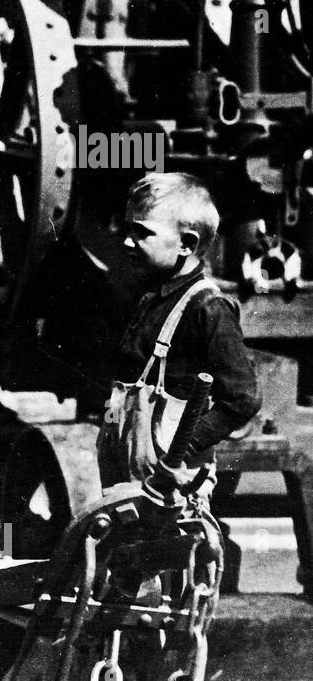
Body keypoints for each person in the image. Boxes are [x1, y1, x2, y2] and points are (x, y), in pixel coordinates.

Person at [98, 172, 261, 499]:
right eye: (128, 228)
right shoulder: (152, 297)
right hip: (131, 465)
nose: (128, 241)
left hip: (172, 478)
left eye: (142, 232)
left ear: (187, 243)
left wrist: (181, 448)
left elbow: (243, 398)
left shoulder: (209, 308)